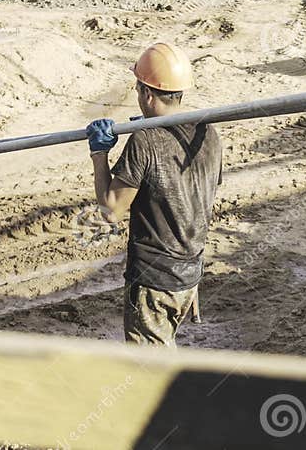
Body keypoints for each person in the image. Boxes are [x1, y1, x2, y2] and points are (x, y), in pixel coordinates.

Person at [86, 43, 222, 346]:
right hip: (189, 273)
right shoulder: (207, 133)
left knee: (148, 371)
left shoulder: (144, 141)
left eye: (138, 90)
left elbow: (110, 212)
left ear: (147, 94)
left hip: (154, 282)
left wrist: (99, 154)